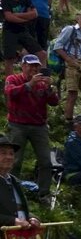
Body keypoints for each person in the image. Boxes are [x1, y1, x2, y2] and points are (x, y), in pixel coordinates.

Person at [5, 54, 59, 205]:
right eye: (31, 65)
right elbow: (10, 93)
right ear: (23, 66)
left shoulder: (42, 83)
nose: (34, 69)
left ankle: (44, 194)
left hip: (39, 126)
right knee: (15, 161)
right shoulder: (13, 79)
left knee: (46, 161)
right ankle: (11, 194)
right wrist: (29, 84)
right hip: (17, 125)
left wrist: (50, 89)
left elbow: (54, 102)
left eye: (36, 66)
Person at [54, 9, 81, 122]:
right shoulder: (70, 29)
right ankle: (68, 120)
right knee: (72, 93)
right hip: (72, 64)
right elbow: (57, 46)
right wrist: (68, 59)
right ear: (78, 19)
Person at [2, 0, 45, 76]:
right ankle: (10, 84)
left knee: (41, 54)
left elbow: (34, 14)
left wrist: (17, 15)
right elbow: (8, 17)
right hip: (10, 31)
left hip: (23, 31)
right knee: (10, 59)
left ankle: (41, 79)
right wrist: (24, 19)